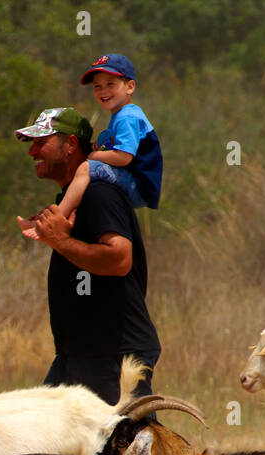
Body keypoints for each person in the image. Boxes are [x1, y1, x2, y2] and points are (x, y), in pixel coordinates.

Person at [14, 106, 160, 405]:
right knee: (49, 442)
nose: (33, 152)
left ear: (70, 145)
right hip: (82, 355)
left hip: (109, 355)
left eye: (41, 143)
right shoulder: (76, 197)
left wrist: (60, 241)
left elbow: (119, 259)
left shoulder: (98, 193)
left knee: (128, 446)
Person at [17, 53, 162, 240]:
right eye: (97, 86)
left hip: (138, 184)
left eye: (110, 84)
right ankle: (44, 220)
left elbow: (124, 157)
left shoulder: (127, 117)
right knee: (86, 178)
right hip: (135, 183)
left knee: (86, 170)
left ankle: (52, 220)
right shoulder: (121, 116)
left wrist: (93, 157)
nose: (103, 91)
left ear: (130, 86)